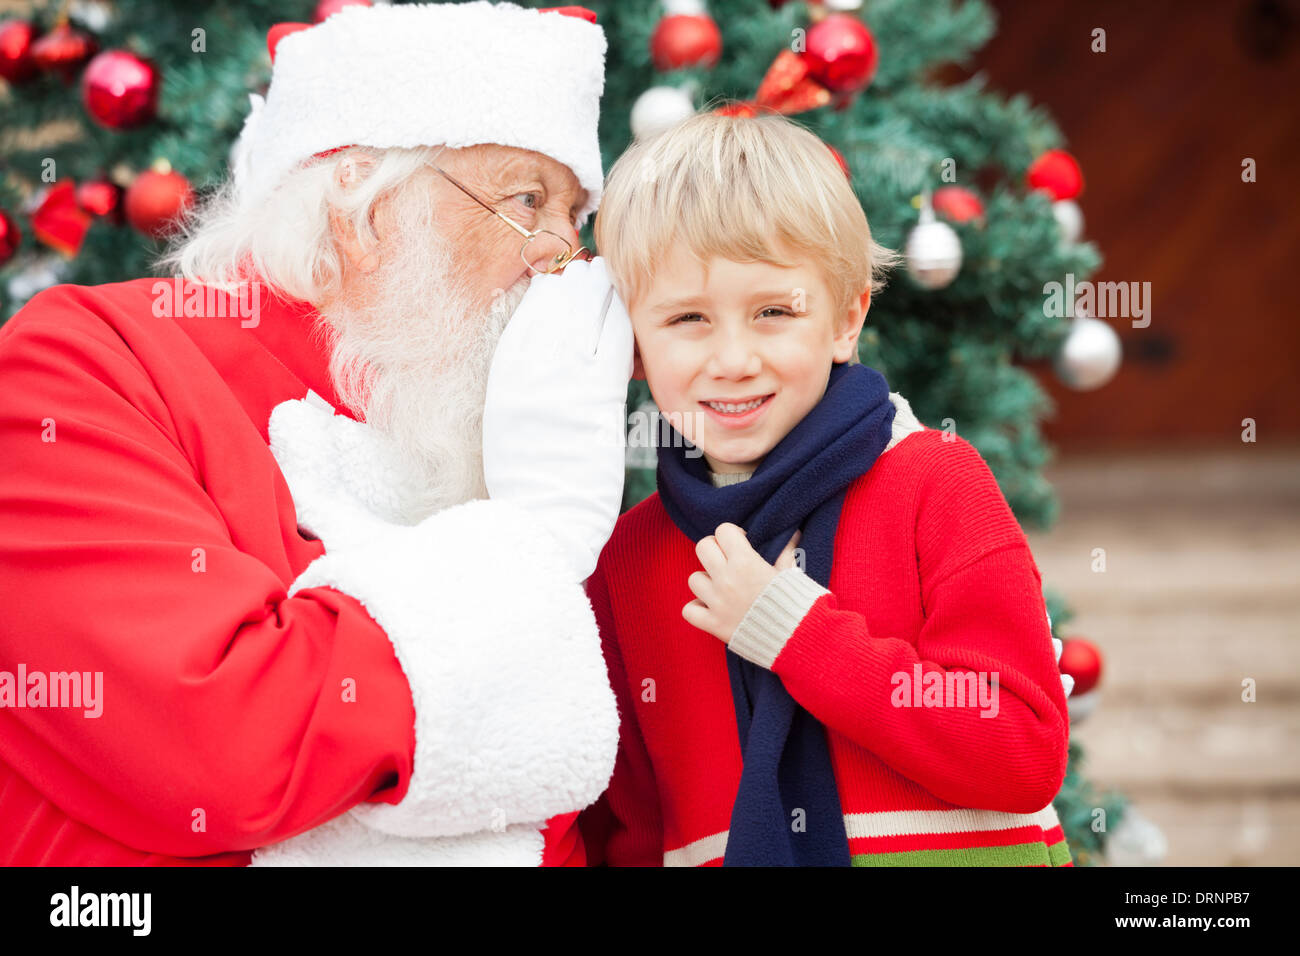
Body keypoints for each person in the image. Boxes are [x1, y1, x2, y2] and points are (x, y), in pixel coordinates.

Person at [0, 2, 629, 866]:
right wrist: (530, 551)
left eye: (575, 214)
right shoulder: (84, 362)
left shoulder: (487, 436)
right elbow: (215, 744)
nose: (565, 254)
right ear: (364, 208)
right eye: (528, 199)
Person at [579, 110, 1075, 867]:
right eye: (688, 319)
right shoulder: (630, 560)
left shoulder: (934, 483)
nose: (734, 358)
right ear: (635, 349)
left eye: (774, 312)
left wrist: (800, 636)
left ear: (846, 321)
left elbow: (1018, 750)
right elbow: (639, 832)